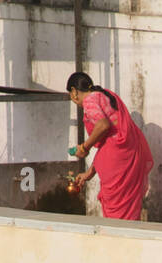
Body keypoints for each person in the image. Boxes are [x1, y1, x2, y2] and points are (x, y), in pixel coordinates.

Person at [65, 71, 154, 221]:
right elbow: (108, 143)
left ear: (74, 92)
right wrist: (89, 173)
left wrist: (84, 147)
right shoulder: (105, 95)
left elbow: (103, 126)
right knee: (129, 211)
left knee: (116, 213)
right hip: (130, 155)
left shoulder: (90, 101)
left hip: (119, 161)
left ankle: (119, 242)